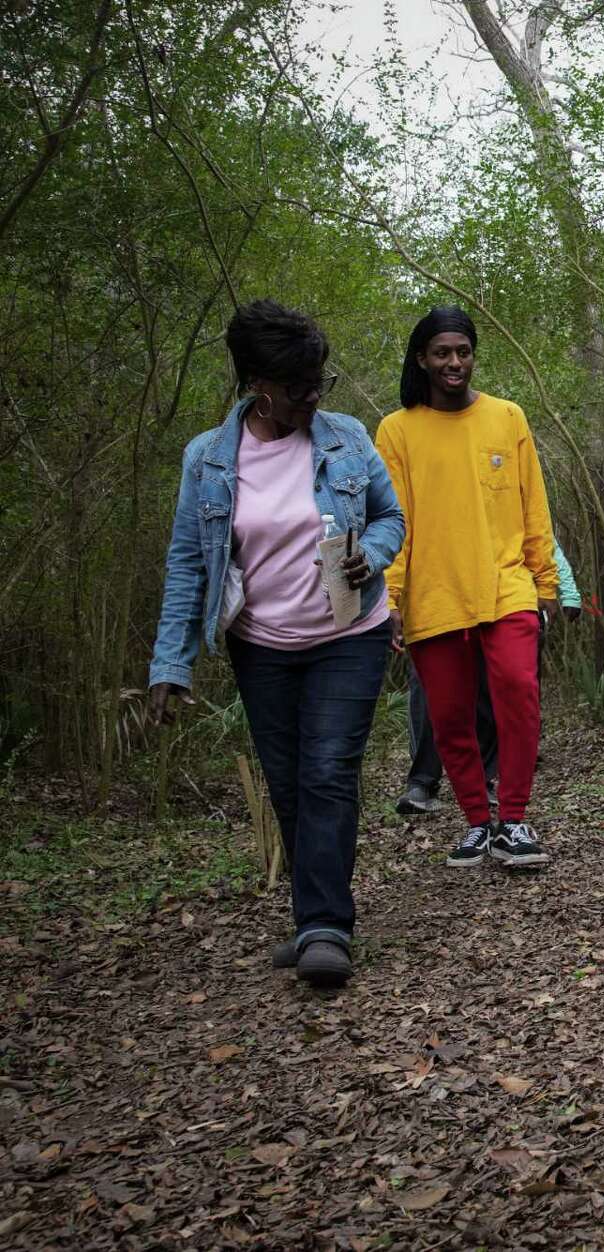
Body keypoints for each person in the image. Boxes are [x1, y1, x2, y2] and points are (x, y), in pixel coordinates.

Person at [147, 299, 403, 988]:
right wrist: (168, 665)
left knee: (326, 771)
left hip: (350, 632)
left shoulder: (345, 437)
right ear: (258, 382)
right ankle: (313, 916)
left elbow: (390, 518)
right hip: (261, 645)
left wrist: (371, 555)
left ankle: (325, 926)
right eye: (298, 387)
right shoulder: (207, 459)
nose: (312, 398)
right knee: (290, 784)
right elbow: (187, 564)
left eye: (320, 381)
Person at [376, 306, 557, 869]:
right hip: (436, 594)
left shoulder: (508, 417)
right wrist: (391, 598)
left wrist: (545, 579)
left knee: (518, 695)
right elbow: (393, 521)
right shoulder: (397, 430)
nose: (454, 362)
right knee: (449, 717)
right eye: (442, 353)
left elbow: (533, 504)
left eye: (463, 351)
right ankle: (478, 822)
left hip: (506, 587)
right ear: (422, 360)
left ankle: (517, 820)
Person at [393, 541, 579, 816]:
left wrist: (566, 592)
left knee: (490, 693)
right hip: (436, 600)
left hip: (499, 600)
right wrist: (390, 595)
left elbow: (544, 539)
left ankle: (483, 780)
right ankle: (422, 781)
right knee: (430, 697)